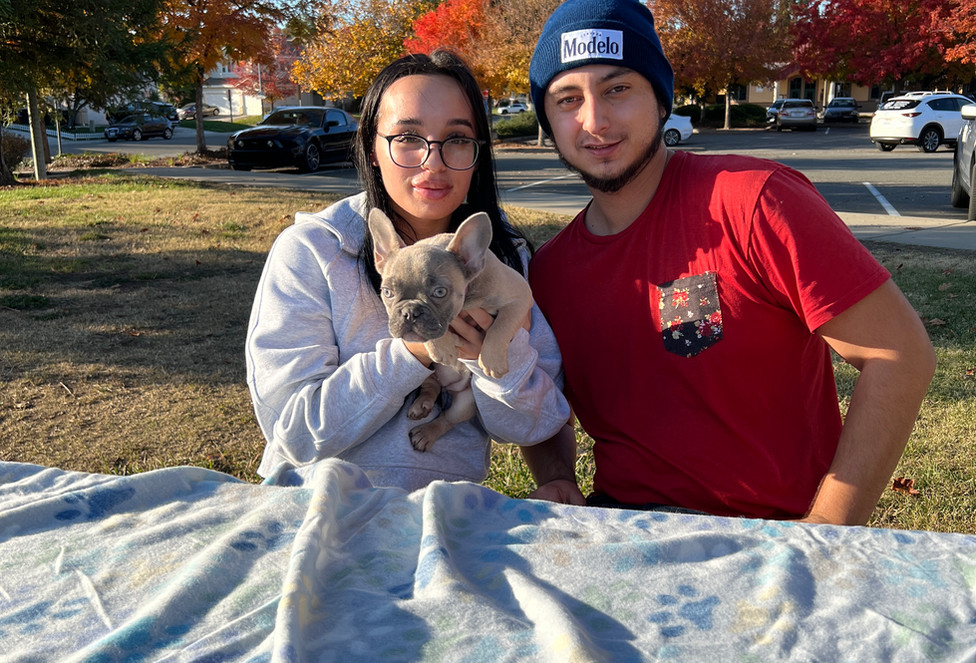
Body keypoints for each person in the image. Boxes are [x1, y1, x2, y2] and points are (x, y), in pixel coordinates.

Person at [522, 0, 936, 524]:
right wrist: (556, 474)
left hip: (772, 534)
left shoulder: (756, 200)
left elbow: (900, 355)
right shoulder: (549, 273)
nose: (595, 120)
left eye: (617, 89)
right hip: (622, 527)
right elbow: (539, 396)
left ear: (660, 99)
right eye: (567, 99)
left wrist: (825, 532)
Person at [246, 50, 570, 490]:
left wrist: (496, 353)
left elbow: (540, 424)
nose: (433, 162)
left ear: (477, 153)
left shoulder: (501, 261)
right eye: (408, 137)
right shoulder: (313, 250)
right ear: (371, 147)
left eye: (457, 139)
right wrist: (416, 350)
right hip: (317, 501)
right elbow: (293, 435)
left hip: (447, 507)